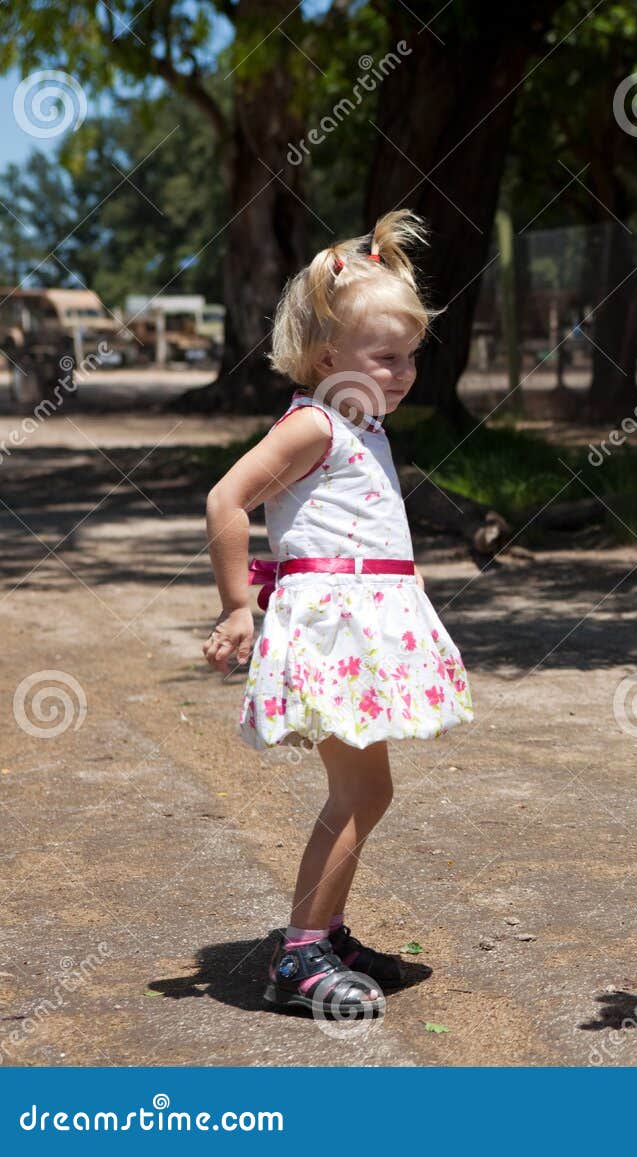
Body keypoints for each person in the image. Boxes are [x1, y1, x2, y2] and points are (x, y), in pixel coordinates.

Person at [201, 210, 473, 1018]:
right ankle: (298, 956)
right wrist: (236, 607)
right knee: (355, 796)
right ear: (327, 358)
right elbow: (226, 498)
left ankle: (327, 931)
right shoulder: (315, 424)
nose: (402, 372)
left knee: (371, 791)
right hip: (331, 634)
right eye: (384, 356)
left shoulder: (364, 427)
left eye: (410, 356)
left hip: (365, 633)